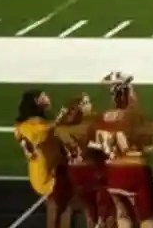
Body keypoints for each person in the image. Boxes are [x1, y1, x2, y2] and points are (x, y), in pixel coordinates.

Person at [93, 72, 153, 228]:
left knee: (122, 215)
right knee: (146, 219)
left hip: (112, 172)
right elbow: (147, 143)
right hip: (135, 173)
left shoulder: (102, 118)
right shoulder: (136, 117)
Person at [53, 93, 112, 228]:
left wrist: (62, 114)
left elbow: (57, 125)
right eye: (86, 103)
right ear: (79, 108)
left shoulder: (60, 129)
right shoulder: (90, 126)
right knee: (106, 209)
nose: (90, 104)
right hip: (92, 169)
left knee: (90, 209)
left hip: (74, 172)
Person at [13, 89, 68, 228]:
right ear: (35, 102)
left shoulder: (36, 123)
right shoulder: (28, 126)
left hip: (54, 167)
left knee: (62, 206)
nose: (47, 98)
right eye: (42, 97)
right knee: (58, 207)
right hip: (43, 173)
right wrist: (58, 121)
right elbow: (42, 133)